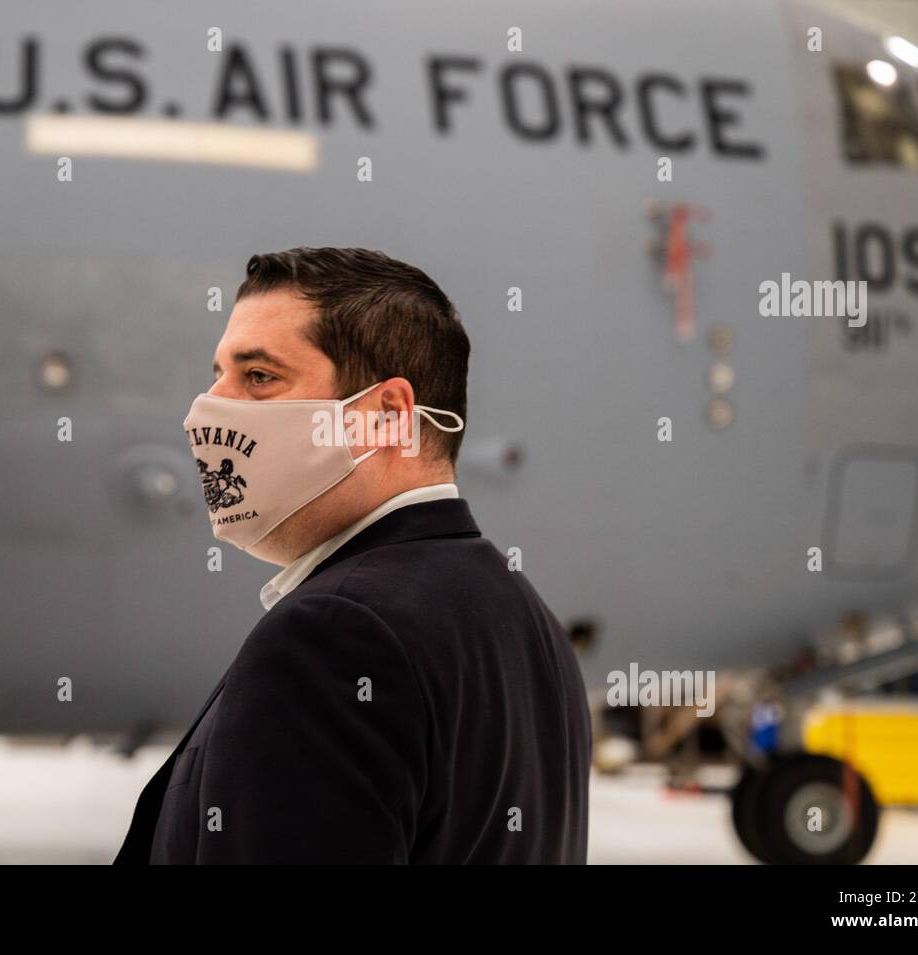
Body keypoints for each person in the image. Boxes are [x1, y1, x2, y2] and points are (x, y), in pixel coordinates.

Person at [115, 247, 590, 864]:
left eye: (258, 377)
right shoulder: (531, 626)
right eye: (218, 375)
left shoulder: (333, 636)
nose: (207, 411)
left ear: (387, 416)